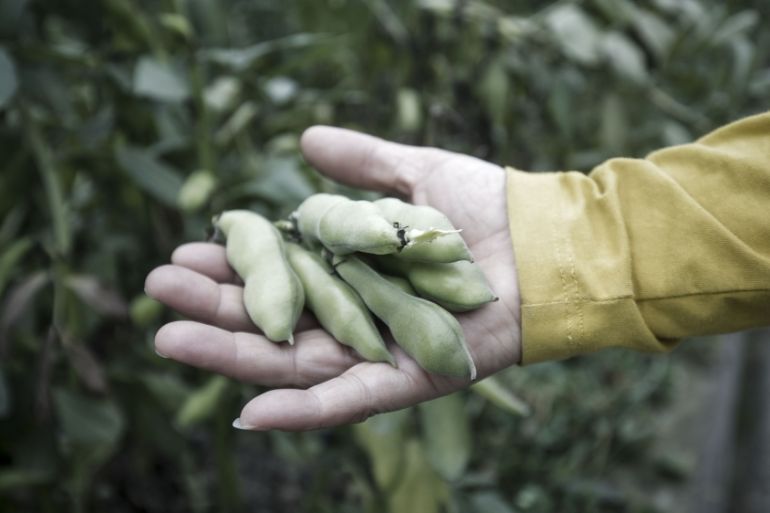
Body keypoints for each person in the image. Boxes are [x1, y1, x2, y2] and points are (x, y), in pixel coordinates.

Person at [145, 111, 770, 431]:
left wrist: (562, 240)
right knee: (310, 272)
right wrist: (573, 235)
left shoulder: (345, 232)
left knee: (352, 252)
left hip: (357, 240)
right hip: (319, 239)